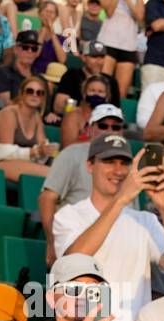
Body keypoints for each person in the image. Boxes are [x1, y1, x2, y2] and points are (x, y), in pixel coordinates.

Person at [52, 133, 164, 321]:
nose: (118, 170)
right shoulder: (69, 215)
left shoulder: (145, 220)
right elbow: (74, 261)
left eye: (124, 163)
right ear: (89, 165)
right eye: (109, 161)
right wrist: (122, 199)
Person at [38, 102, 124, 264]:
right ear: (90, 128)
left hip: (118, 239)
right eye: (103, 125)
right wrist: (51, 242)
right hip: (77, 232)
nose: (109, 131)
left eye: (116, 127)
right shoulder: (72, 153)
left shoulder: (127, 165)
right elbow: (47, 197)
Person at [0, 73, 56, 182]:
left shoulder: (36, 118)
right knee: (51, 175)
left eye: (40, 93)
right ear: (21, 93)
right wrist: (33, 152)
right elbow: (5, 152)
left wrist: (45, 151)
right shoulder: (9, 114)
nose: (35, 95)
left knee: (57, 174)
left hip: (22, 164)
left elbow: (42, 148)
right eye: (30, 91)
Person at [98, 0, 144, 102]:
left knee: (121, 93)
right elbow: (109, 12)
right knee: (102, 86)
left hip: (129, 45)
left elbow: (140, 17)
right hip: (108, 41)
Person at [59, 72, 113, 145]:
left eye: (100, 92)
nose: (96, 94)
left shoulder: (112, 118)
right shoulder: (73, 116)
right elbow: (68, 145)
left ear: (107, 97)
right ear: (84, 94)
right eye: (92, 91)